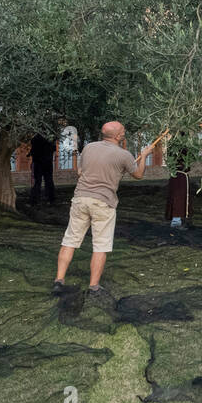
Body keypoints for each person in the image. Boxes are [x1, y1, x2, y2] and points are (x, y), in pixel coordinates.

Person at [54, 122, 158, 298]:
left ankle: (58, 281)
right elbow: (138, 175)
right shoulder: (124, 155)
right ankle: (94, 286)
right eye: (123, 131)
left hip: (80, 199)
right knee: (100, 245)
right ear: (117, 136)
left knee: (70, 240)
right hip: (103, 203)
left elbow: (80, 172)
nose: (124, 133)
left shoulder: (88, 148)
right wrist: (144, 155)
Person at [165, 146, 193, 228]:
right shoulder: (180, 147)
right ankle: (176, 221)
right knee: (178, 197)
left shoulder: (171, 146)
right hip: (179, 176)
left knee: (178, 197)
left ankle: (178, 220)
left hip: (175, 176)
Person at [28, 132, 57, 205]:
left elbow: (33, 151)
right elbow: (54, 149)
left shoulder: (35, 138)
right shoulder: (50, 138)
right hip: (48, 163)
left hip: (38, 163)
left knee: (37, 181)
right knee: (49, 180)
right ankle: (51, 200)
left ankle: (34, 201)